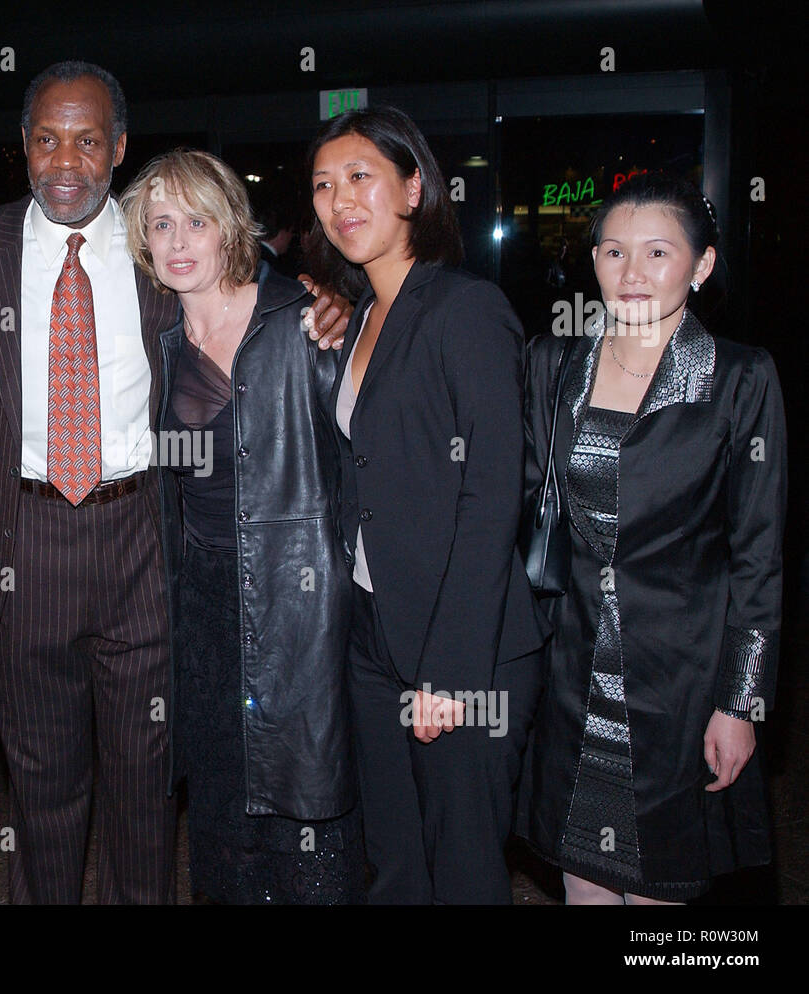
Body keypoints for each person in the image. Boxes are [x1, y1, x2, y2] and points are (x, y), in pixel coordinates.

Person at [0, 60, 351, 904]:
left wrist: (319, 294)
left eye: (87, 140)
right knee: (44, 800)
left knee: (143, 798)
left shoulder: (153, 250)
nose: (66, 160)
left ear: (118, 148)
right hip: (23, 545)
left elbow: (238, 289)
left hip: (141, 542)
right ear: (22, 145)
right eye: (47, 138)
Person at [516, 173, 785, 904]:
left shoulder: (740, 379)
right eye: (612, 253)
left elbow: (757, 556)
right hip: (573, 676)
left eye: (658, 253)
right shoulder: (556, 363)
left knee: (663, 896)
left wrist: (741, 703)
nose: (631, 274)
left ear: (701, 266)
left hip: (683, 687)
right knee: (585, 889)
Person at [309, 106, 549, 904]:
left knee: (467, 868)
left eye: (360, 177)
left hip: (464, 644)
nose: (339, 199)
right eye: (322, 185)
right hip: (375, 632)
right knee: (398, 859)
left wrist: (449, 670)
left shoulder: (466, 309)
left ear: (413, 189)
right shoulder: (363, 315)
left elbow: (493, 494)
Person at [119, 148, 364, 903]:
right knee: (222, 807)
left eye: (196, 219)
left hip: (301, 602)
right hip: (200, 611)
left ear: (229, 227)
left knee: (307, 806)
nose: (179, 239)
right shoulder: (155, 344)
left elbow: (372, 463)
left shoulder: (305, 323)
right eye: (161, 224)